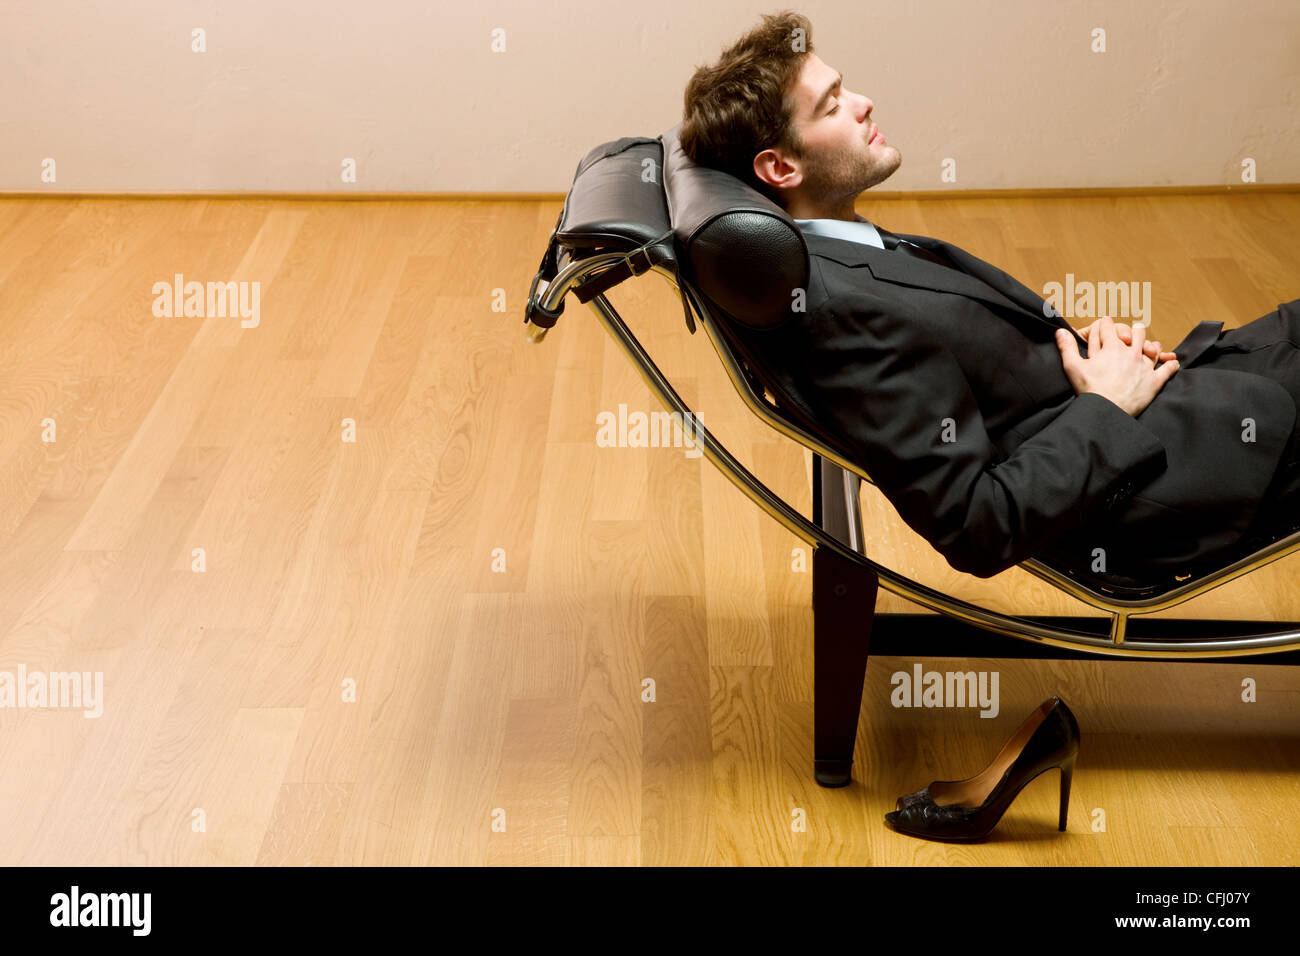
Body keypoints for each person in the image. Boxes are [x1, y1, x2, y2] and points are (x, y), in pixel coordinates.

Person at [678, 11, 1300, 580]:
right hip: (1184, 476)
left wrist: (1090, 355)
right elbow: (980, 526)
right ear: (781, 168)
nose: (864, 104)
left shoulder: (846, 252)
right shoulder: (844, 314)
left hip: (1197, 403)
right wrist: (1107, 402)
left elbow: (998, 381)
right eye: (833, 105)